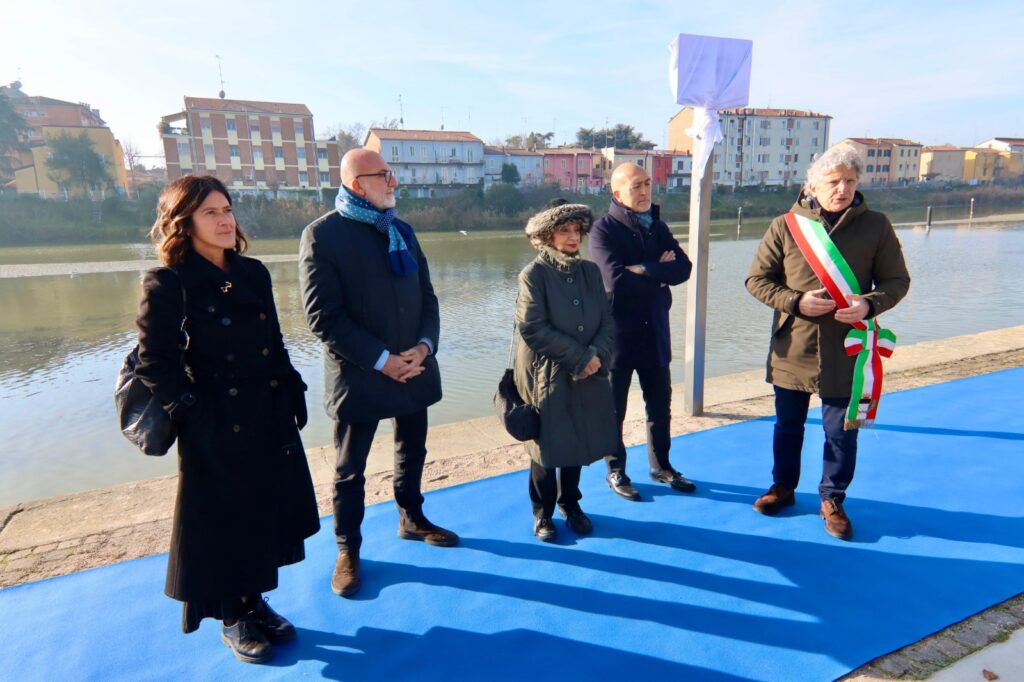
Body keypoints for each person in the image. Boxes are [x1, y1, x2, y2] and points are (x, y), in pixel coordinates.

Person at [135, 175, 319, 664]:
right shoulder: (168, 281)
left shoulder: (253, 272)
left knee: (262, 512)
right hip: (215, 422)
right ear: (183, 222)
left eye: (227, 209)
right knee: (223, 522)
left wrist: (293, 387)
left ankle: (253, 601)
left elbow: (274, 340)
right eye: (210, 213)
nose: (224, 220)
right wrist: (192, 411)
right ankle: (232, 616)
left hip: (267, 411)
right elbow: (154, 362)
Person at [299, 148, 458, 599]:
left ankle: (411, 516)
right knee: (350, 469)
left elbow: (428, 297)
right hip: (362, 373)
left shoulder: (402, 231)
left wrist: (424, 347)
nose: (393, 183)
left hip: (414, 366)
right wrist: (382, 360)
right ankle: (348, 548)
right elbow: (322, 316)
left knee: (414, 448)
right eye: (384, 176)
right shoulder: (323, 236)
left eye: (393, 174)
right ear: (356, 184)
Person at [745, 144, 910, 540]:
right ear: (812, 186)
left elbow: (897, 282)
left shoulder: (877, 225)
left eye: (850, 181)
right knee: (788, 426)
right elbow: (757, 280)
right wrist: (795, 301)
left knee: (841, 432)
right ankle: (782, 487)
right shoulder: (785, 226)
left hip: (848, 347)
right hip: (794, 347)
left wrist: (869, 305)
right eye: (834, 181)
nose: (843, 188)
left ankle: (833, 498)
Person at [589, 163, 693, 501]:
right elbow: (614, 281)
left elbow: (684, 268)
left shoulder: (657, 227)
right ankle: (615, 470)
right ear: (617, 193)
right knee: (613, 410)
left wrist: (648, 268)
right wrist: (660, 277)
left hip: (655, 333)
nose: (645, 191)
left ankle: (661, 466)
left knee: (659, 406)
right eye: (637, 185)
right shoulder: (602, 230)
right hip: (617, 338)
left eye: (648, 183)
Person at [515, 200, 618, 541]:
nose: (574, 237)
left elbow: (606, 320)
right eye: (565, 230)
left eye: (577, 230)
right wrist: (579, 358)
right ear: (546, 235)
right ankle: (542, 513)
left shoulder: (589, 271)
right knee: (545, 445)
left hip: (588, 371)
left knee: (578, 436)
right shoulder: (534, 274)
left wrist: (596, 356)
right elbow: (533, 327)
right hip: (546, 374)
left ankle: (571, 504)